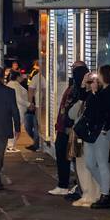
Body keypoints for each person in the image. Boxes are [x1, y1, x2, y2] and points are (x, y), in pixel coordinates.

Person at [75, 67, 110, 209]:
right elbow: (85, 101)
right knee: (90, 163)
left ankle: (105, 194)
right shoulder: (99, 90)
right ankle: (108, 191)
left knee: (102, 163)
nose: (96, 77)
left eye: (98, 74)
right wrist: (84, 85)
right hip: (91, 132)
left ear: (105, 75)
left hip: (102, 132)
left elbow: (102, 109)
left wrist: (94, 92)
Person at [48, 62, 89, 197]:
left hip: (72, 130)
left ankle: (70, 185)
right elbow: (64, 109)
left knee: (74, 158)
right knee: (63, 156)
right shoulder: (72, 88)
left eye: (75, 68)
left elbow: (74, 111)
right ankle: (64, 184)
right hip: (64, 128)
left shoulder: (82, 90)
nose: (72, 71)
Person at [5, 68, 29, 153]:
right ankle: (10, 146)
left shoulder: (12, 84)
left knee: (14, 128)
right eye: (21, 75)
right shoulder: (15, 85)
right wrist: (29, 104)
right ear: (17, 76)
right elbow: (18, 98)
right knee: (15, 128)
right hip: (18, 109)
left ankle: (11, 146)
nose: (23, 77)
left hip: (17, 109)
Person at [26, 60, 43, 151]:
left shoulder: (37, 76)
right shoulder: (37, 76)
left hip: (38, 105)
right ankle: (37, 143)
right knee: (36, 126)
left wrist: (30, 103)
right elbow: (31, 89)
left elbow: (30, 90)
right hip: (38, 104)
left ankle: (36, 144)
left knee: (37, 126)